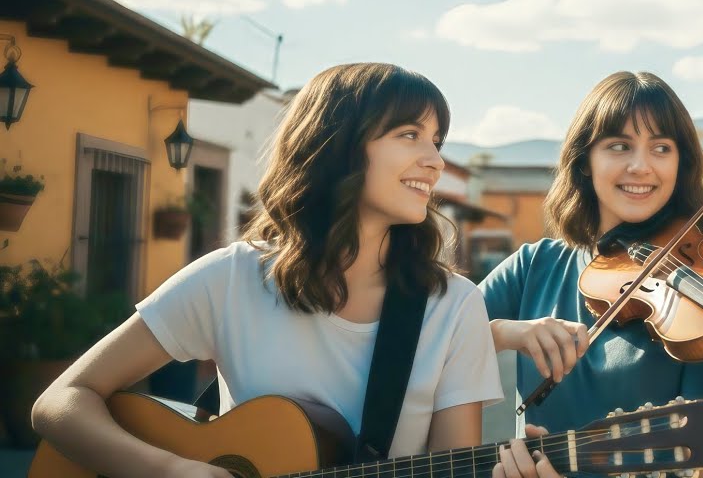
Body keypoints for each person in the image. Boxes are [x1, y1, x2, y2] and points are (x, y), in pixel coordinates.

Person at [32, 63, 554, 478]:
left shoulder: (452, 306)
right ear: (338, 145)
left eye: (437, 141)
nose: (435, 161)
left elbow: (450, 467)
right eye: (409, 134)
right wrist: (169, 469)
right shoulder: (233, 278)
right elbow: (60, 401)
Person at [479, 71, 703, 475]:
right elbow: (436, 344)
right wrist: (509, 332)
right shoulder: (534, 265)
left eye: (661, 147)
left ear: (681, 163)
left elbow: (697, 466)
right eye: (619, 146)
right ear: (585, 162)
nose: (641, 166)